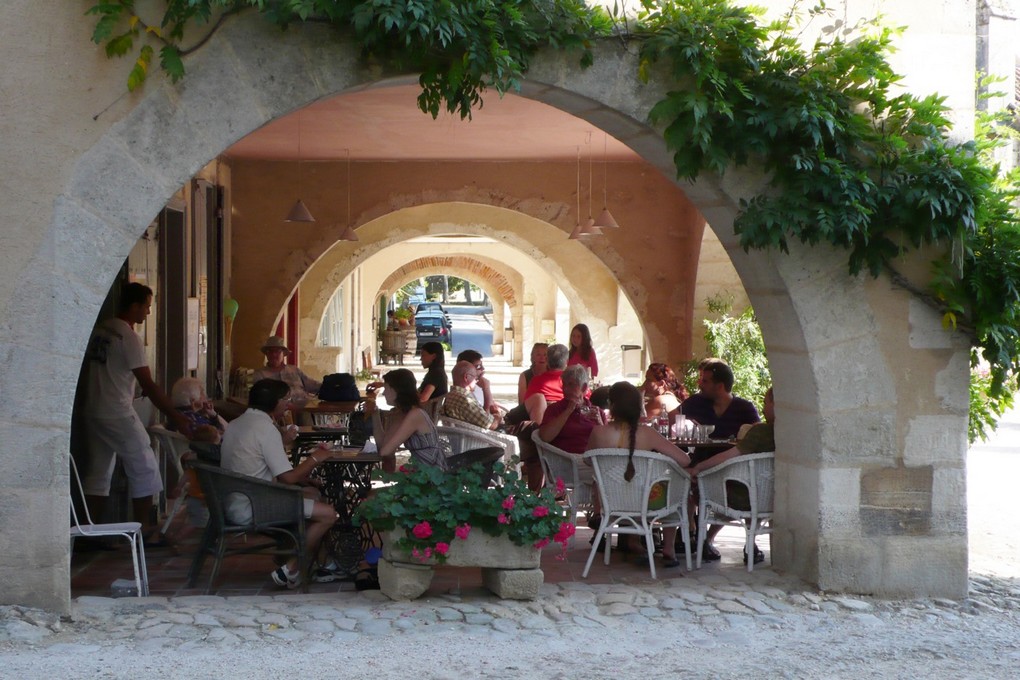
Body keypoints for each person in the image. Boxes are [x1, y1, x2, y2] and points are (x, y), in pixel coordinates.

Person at [82, 282, 192, 545]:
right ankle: (145, 532)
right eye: (146, 306)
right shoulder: (127, 337)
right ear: (134, 306)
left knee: (98, 471)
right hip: (116, 411)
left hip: (92, 409)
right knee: (145, 465)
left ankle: (88, 533)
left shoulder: (100, 330)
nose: (147, 312)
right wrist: (178, 418)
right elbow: (149, 384)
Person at [220, 379, 341, 589]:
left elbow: (264, 464)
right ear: (274, 402)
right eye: (286, 399)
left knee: (313, 493)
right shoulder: (266, 429)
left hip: (236, 500)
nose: (288, 403)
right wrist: (316, 458)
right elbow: (288, 478)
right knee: (329, 514)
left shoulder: (237, 424)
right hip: (256, 506)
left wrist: (305, 475)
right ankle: (290, 568)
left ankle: (324, 564)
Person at [585, 381, 691, 568]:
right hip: (646, 501)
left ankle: (634, 541)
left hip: (611, 500)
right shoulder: (648, 434)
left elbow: (588, 460)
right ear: (638, 407)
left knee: (631, 486)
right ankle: (668, 547)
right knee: (675, 489)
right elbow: (685, 460)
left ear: (611, 406)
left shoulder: (598, 432)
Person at [688, 387, 775, 565]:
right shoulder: (793, 436)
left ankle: (704, 538)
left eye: (766, 403)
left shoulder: (761, 433)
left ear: (776, 405)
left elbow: (728, 456)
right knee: (751, 488)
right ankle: (750, 544)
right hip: (774, 497)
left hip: (742, 498)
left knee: (722, 488)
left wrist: (698, 468)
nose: (764, 408)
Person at [377, 368, 449, 472]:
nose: (383, 394)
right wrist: (374, 414)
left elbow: (385, 452)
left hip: (432, 471)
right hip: (421, 469)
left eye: (386, 388)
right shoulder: (402, 413)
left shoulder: (415, 414)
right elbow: (383, 446)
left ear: (396, 390)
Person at [680, 358, 760, 443]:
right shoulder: (695, 402)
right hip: (698, 456)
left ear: (720, 386)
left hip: (734, 456)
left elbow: (760, 436)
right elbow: (669, 419)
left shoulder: (745, 408)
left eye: (705, 381)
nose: (699, 384)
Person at [538, 365, 605, 457]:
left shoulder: (597, 412)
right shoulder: (554, 409)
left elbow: (607, 445)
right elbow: (545, 437)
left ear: (584, 387)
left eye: (571, 384)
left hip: (592, 463)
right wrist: (568, 411)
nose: (565, 389)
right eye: (564, 384)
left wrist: (599, 423)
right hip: (565, 462)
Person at [252, 336, 321, 406]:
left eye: (277, 351)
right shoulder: (260, 375)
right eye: (270, 351)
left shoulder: (294, 370)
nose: (273, 354)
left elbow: (311, 384)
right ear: (266, 354)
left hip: (304, 409)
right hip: (279, 413)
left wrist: (329, 385)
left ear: (284, 354)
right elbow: (261, 398)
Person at [442, 361, 502, 431]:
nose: (476, 381)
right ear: (466, 377)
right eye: (476, 378)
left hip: (461, 437)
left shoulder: (451, 395)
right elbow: (491, 425)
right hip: (475, 440)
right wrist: (498, 415)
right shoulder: (464, 399)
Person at [169, 377, 227, 443]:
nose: (206, 396)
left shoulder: (179, 414)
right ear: (193, 400)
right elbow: (222, 433)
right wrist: (213, 415)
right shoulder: (190, 419)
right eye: (202, 392)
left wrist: (212, 413)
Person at [523, 343, 569, 423]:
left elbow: (526, 406)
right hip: (567, 421)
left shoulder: (535, 381)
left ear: (547, 360)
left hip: (543, 424)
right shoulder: (572, 381)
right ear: (566, 362)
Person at [505, 342, 548, 426]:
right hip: (528, 412)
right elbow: (522, 402)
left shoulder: (553, 375)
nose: (542, 358)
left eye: (545, 354)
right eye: (538, 354)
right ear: (533, 357)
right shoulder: (525, 376)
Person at [455, 349, 498, 414]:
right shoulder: (465, 397)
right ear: (467, 369)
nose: (483, 369)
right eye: (478, 366)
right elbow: (487, 421)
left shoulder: (478, 386)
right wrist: (486, 388)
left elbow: (492, 407)